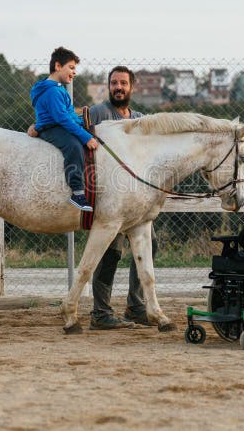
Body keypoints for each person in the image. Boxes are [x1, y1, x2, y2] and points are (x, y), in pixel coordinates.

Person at [28, 65, 157, 329]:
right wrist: (40, 125)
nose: (118, 87)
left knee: (149, 245)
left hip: (133, 201)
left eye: (123, 83)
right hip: (108, 198)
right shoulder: (98, 113)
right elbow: (68, 119)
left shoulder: (141, 119)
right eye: (113, 83)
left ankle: (136, 305)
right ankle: (101, 311)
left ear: (132, 87)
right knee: (110, 253)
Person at [30, 47, 98, 211]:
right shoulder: (53, 91)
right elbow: (62, 118)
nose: (74, 72)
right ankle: (77, 191)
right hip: (52, 128)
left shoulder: (58, 89)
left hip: (59, 124)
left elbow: (69, 115)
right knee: (73, 146)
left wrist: (83, 121)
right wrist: (85, 137)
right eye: (71, 67)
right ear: (58, 66)